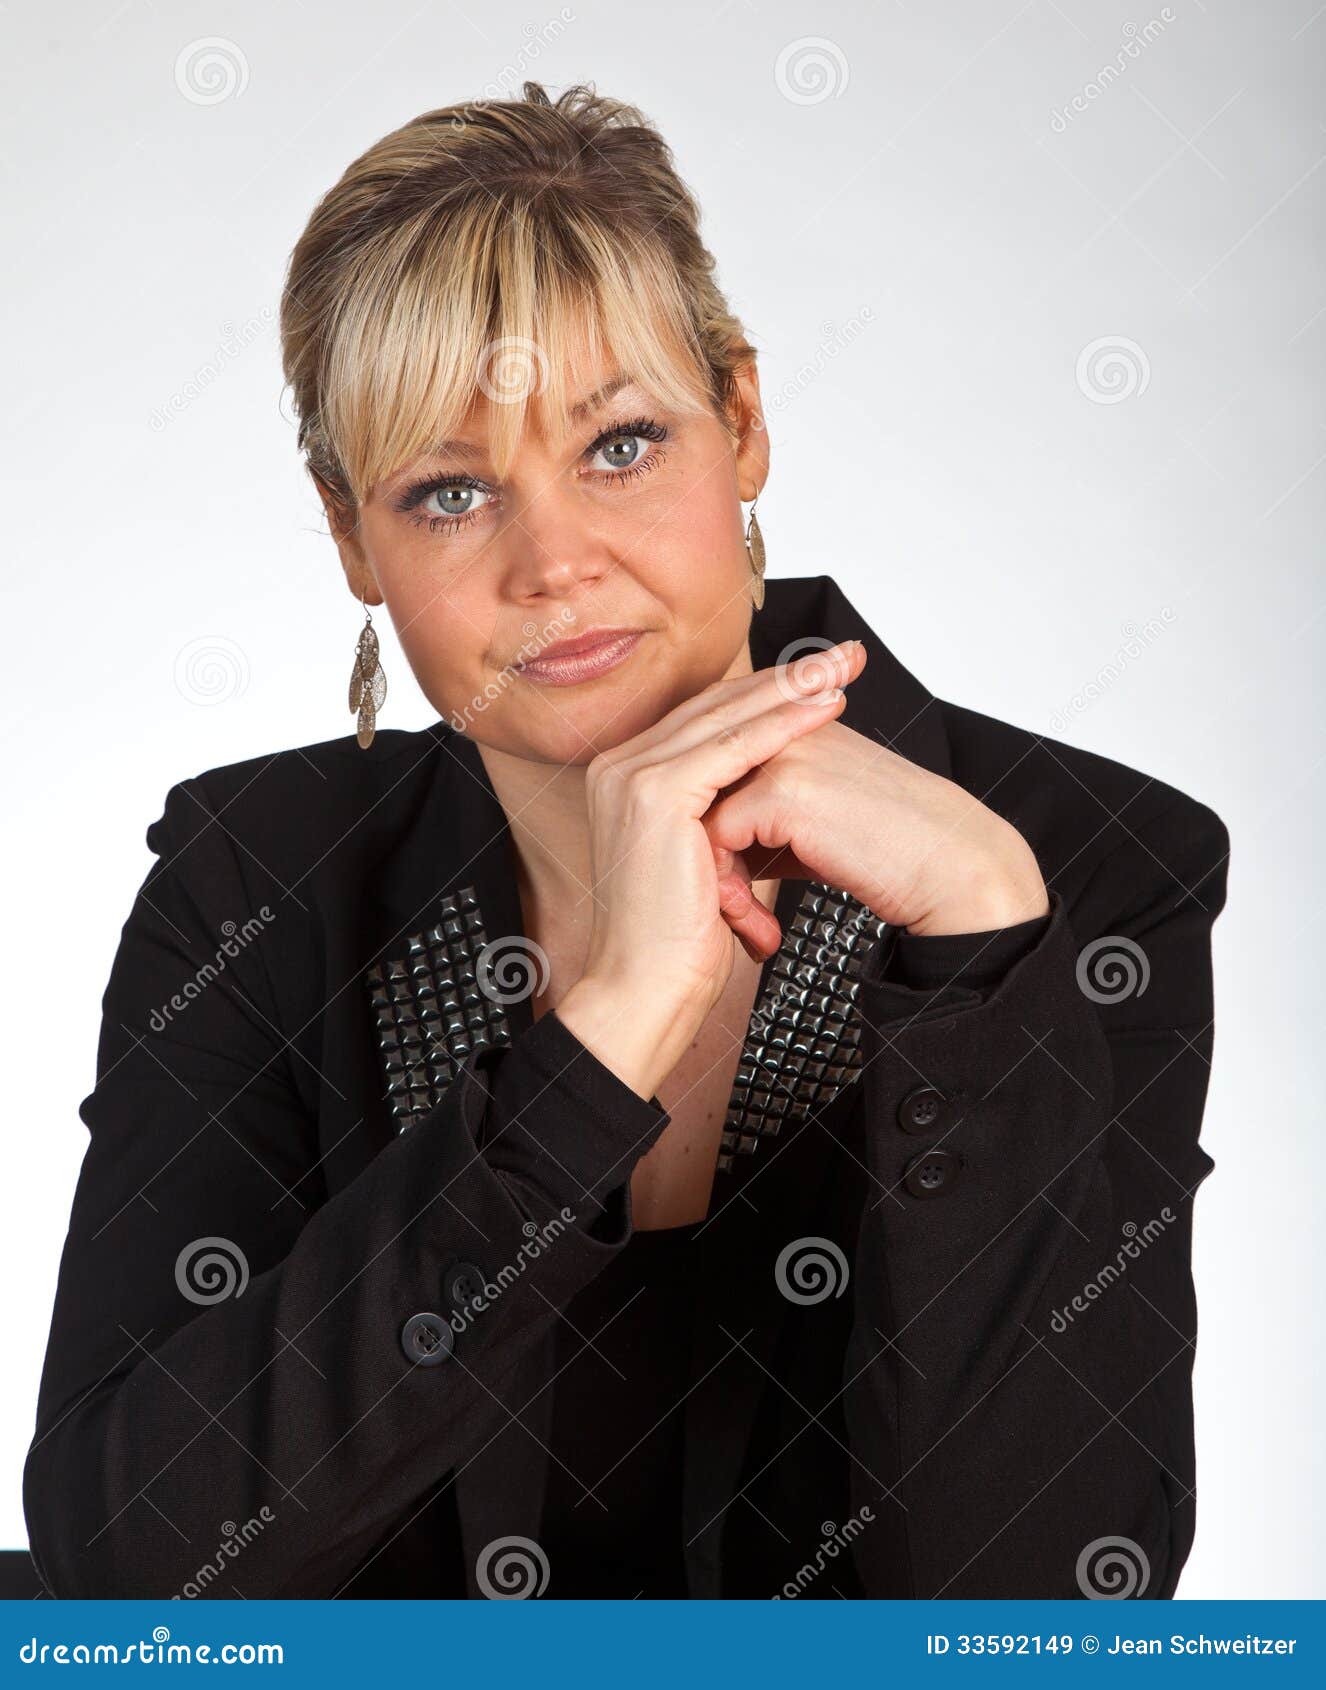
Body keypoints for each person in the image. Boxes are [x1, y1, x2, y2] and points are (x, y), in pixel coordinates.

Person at [23, 81, 1229, 1601]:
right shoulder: (256, 882)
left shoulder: (1077, 859)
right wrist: (590, 1060)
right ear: (350, 538)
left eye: (619, 444)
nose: (553, 564)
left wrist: (986, 960)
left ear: (741, 422)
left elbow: (1046, 1607)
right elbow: (127, 1575)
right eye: (449, 492)